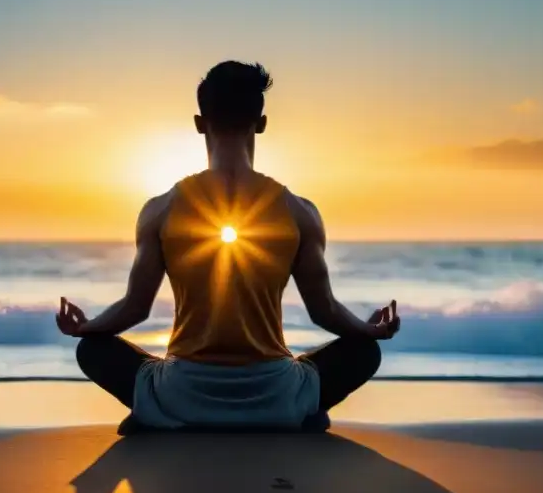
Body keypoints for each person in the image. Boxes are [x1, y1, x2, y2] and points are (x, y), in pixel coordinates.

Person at [55, 60, 401, 433]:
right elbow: (325, 311)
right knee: (364, 353)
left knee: (92, 349)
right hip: (275, 396)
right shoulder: (300, 212)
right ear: (262, 123)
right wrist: (370, 332)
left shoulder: (161, 209)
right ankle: (302, 411)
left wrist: (86, 327)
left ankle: (154, 411)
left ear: (200, 124)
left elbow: (135, 308)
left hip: (181, 394)